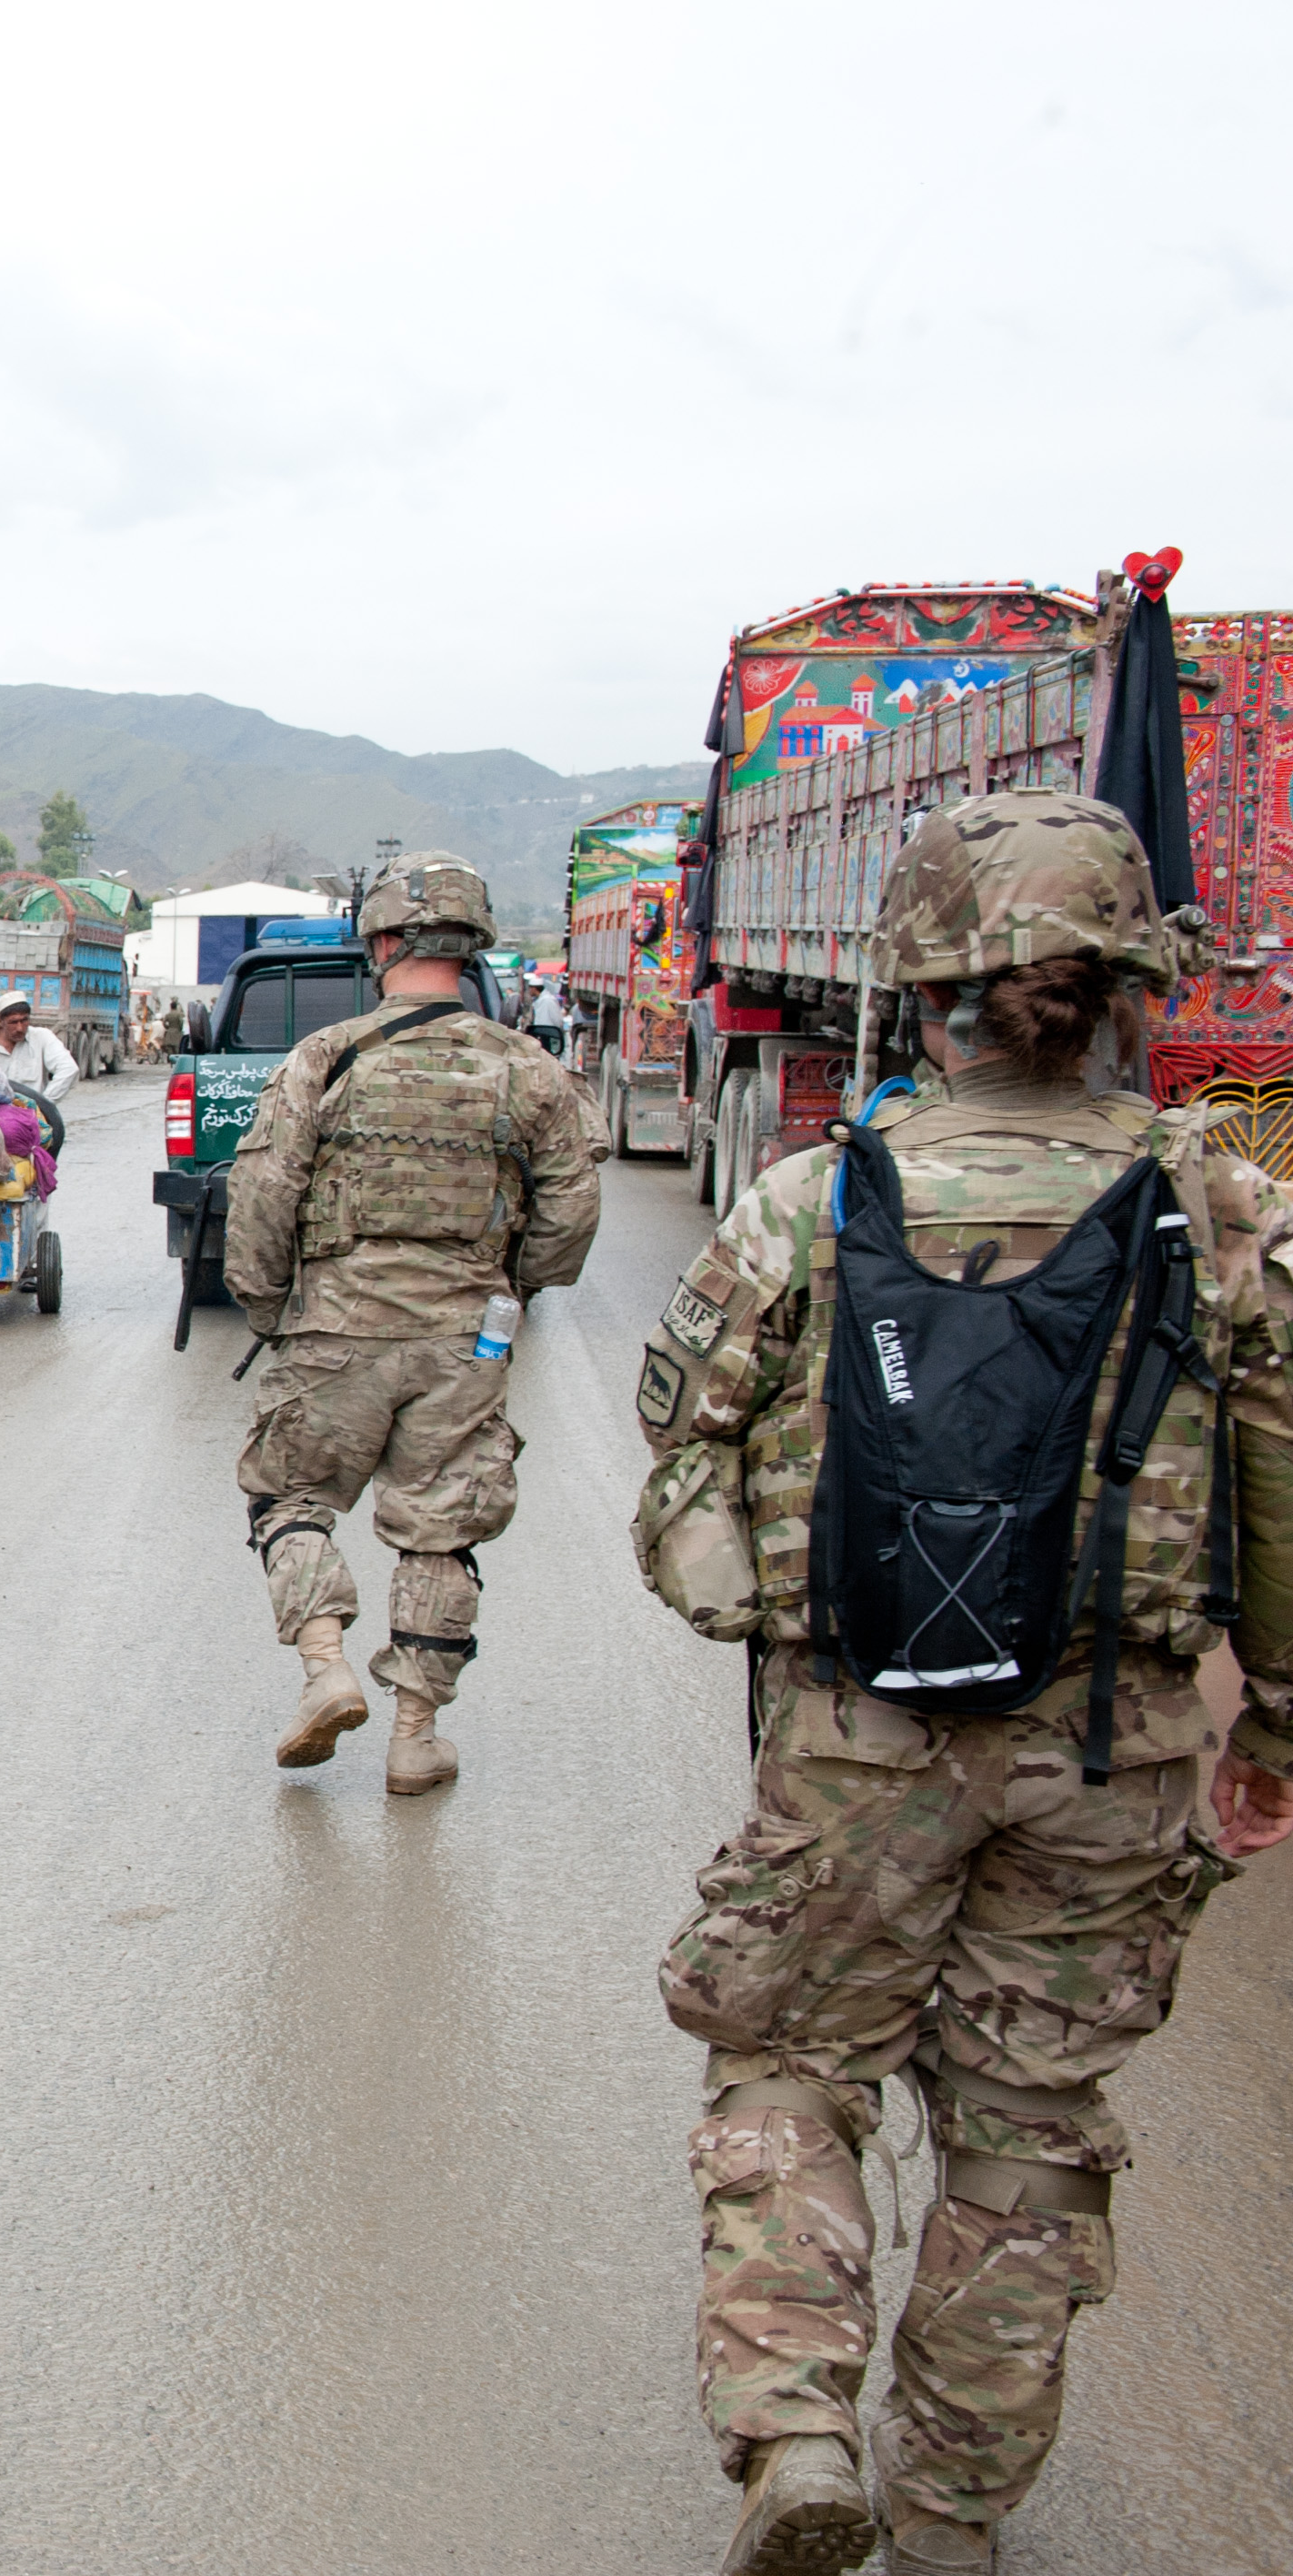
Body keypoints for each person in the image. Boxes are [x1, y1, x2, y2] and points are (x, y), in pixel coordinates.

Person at [631, 791, 1293, 2576]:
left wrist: (770, 1615)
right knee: (1028, 2130)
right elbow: (1282, 1479)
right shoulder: (1223, 1211)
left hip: (859, 1738)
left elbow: (675, 1465)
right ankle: (950, 2516)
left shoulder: (809, 1201)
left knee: (786, 2067)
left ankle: (789, 2430)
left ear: (917, 982)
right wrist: (1276, 1720)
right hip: (1113, 1747)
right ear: (1123, 987)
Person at [224, 853, 597, 1795]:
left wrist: (271, 1308)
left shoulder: (326, 1056)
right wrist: (515, 1287)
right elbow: (570, 1210)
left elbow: (263, 1194)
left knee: (290, 1495)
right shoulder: (529, 1067)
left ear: (381, 942)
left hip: (335, 1327)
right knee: (440, 1529)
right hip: (464, 1335)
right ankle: (413, 1738)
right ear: (470, 945)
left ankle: (323, 1669)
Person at [0, 992, 79, 1105]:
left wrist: (45, 1103)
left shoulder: (42, 1037)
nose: (20, 1028)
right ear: (0, 1021)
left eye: (24, 1021)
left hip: (31, 1113)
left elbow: (68, 1069)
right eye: (13, 1022)